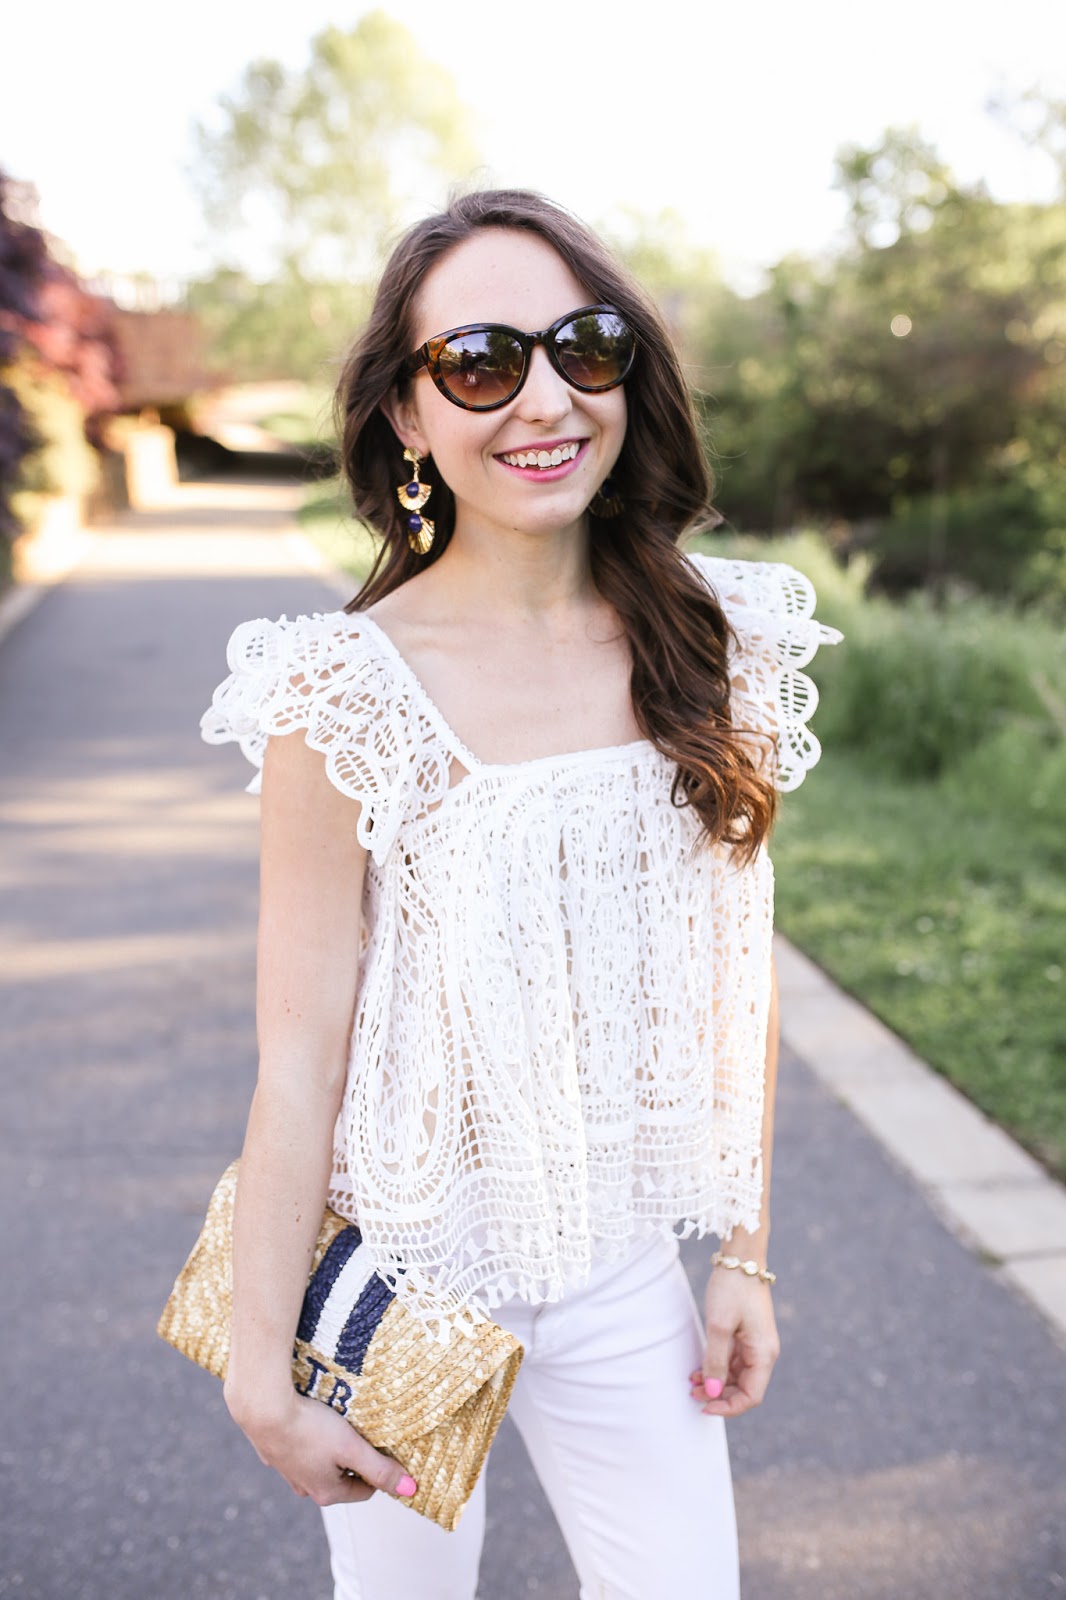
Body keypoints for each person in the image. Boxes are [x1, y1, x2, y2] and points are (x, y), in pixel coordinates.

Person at [199, 188, 843, 1600]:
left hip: (620, 1270)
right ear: (407, 419)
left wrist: (746, 1255)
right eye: (482, 362)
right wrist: (261, 1375)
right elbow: (299, 1059)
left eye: (584, 346)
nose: (544, 397)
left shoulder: (711, 636)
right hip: (402, 1279)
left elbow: (739, 970)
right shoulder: (341, 687)